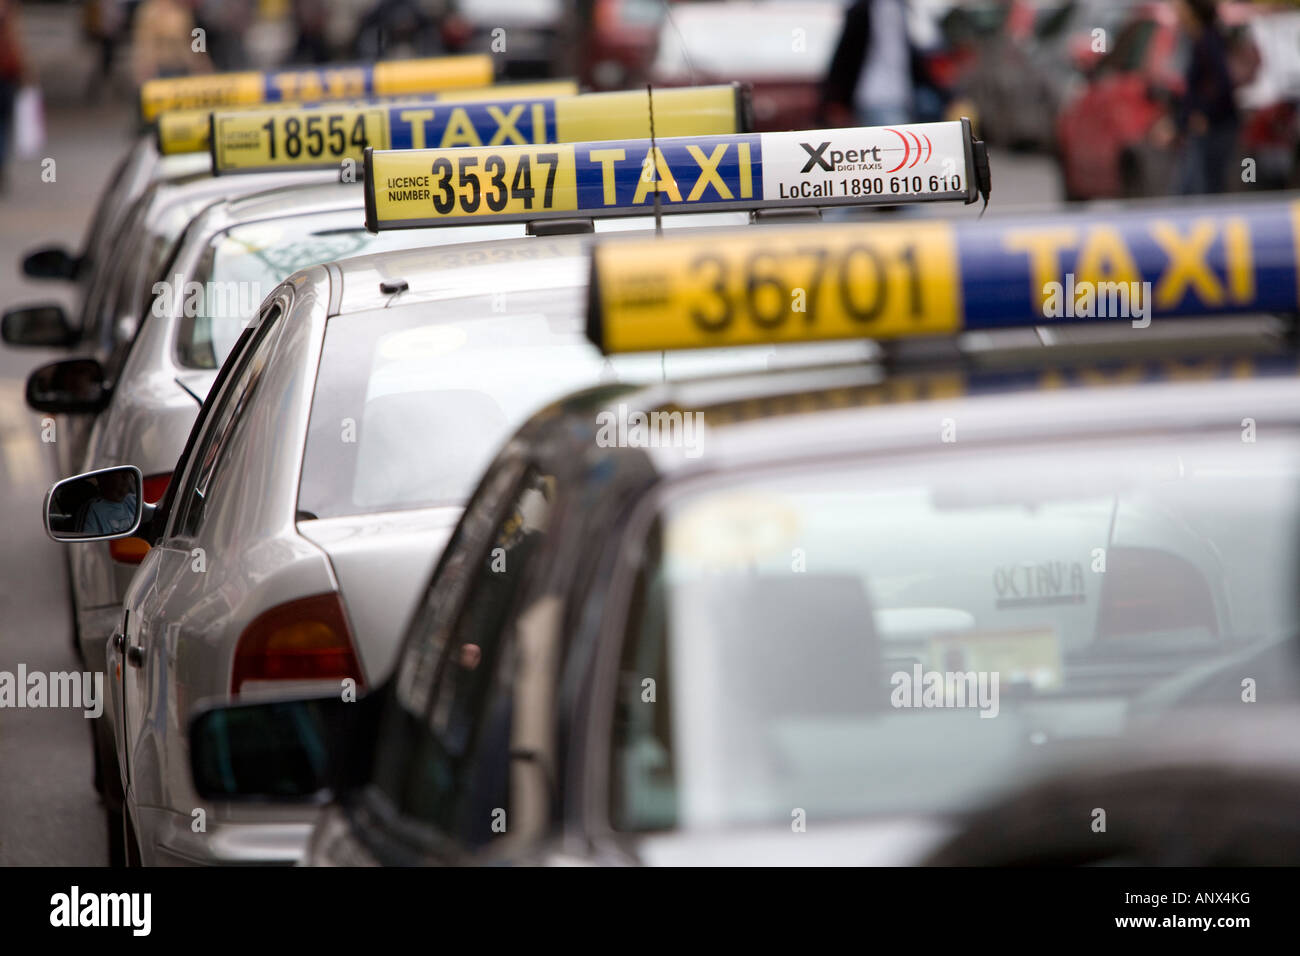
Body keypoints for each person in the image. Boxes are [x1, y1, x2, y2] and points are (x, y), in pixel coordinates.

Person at [821, 0, 942, 128]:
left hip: (903, 95)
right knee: (896, 142)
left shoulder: (903, 10)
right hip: (875, 95)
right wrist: (836, 98)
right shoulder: (864, 10)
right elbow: (846, 56)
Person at [1172, 0, 1240, 195]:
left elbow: (1222, 82)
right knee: (1193, 189)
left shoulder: (1208, 41)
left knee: (1200, 191)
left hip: (1214, 127)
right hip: (1207, 126)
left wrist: (1204, 113)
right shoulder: (1198, 40)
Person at [131, 0, 210, 85]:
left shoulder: (182, 12)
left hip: (183, 69)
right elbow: (145, 46)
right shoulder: (148, 13)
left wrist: (202, 66)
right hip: (160, 71)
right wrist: (145, 68)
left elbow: (193, 44)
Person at [0, 0, 26, 191]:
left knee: (4, 122)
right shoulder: (8, 9)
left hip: (7, 74)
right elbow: (16, 40)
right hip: (6, 73)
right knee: (4, 124)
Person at [80, 471, 139, 536]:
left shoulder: (132, 500)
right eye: (121, 475)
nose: (126, 479)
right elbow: (87, 542)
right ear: (103, 478)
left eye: (128, 475)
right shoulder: (93, 509)